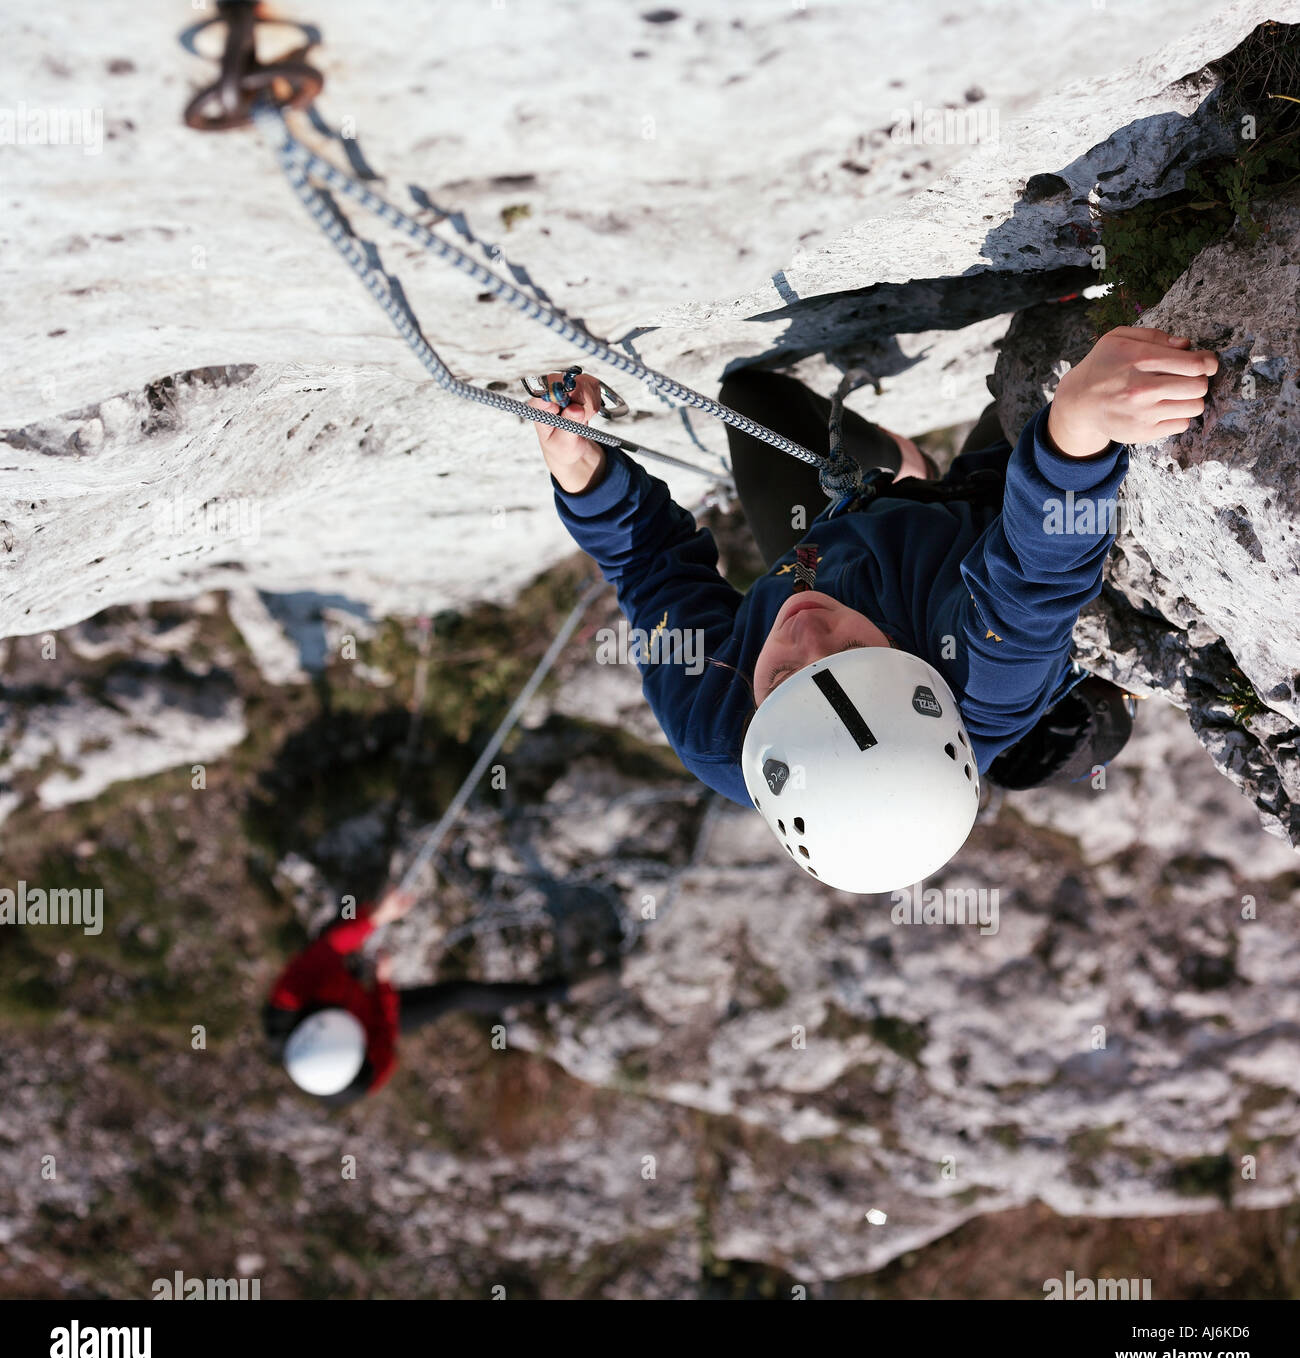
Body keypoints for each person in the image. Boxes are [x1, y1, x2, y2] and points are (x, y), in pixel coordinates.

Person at [533, 326, 1218, 893]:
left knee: (752, 395)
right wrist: (1078, 424)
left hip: (832, 551)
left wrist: (579, 467)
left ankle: (900, 464)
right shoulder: (985, 682)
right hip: (982, 504)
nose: (803, 633)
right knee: (1050, 340)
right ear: (917, 674)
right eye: (850, 655)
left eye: (779, 677)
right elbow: (1041, 570)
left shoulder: (717, 732)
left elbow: (650, 567)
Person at [264, 886, 588, 1105]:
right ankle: (559, 991)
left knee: (340, 924)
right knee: (458, 995)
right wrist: (382, 984)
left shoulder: (291, 997)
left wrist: (378, 917)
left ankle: (366, 891)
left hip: (340, 986)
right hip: (374, 1012)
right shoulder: (365, 1074)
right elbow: (386, 1031)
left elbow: (328, 948)